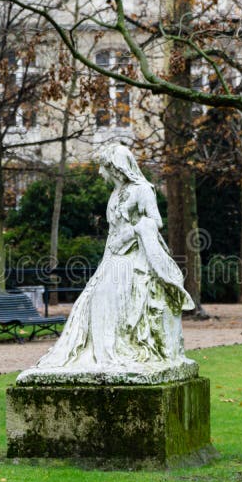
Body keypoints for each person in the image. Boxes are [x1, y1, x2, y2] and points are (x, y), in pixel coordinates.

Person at [23, 144, 195, 379]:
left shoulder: (142, 189)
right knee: (89, 302)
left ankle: (120, 351)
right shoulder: (116, 193)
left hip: (135, 257)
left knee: (110, 299)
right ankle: (99, 354)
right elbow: (113, 230)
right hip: (113, 256)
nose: (100, 173)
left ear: (116, 168)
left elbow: (155, 221)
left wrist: (131, 232)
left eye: (103, 168)